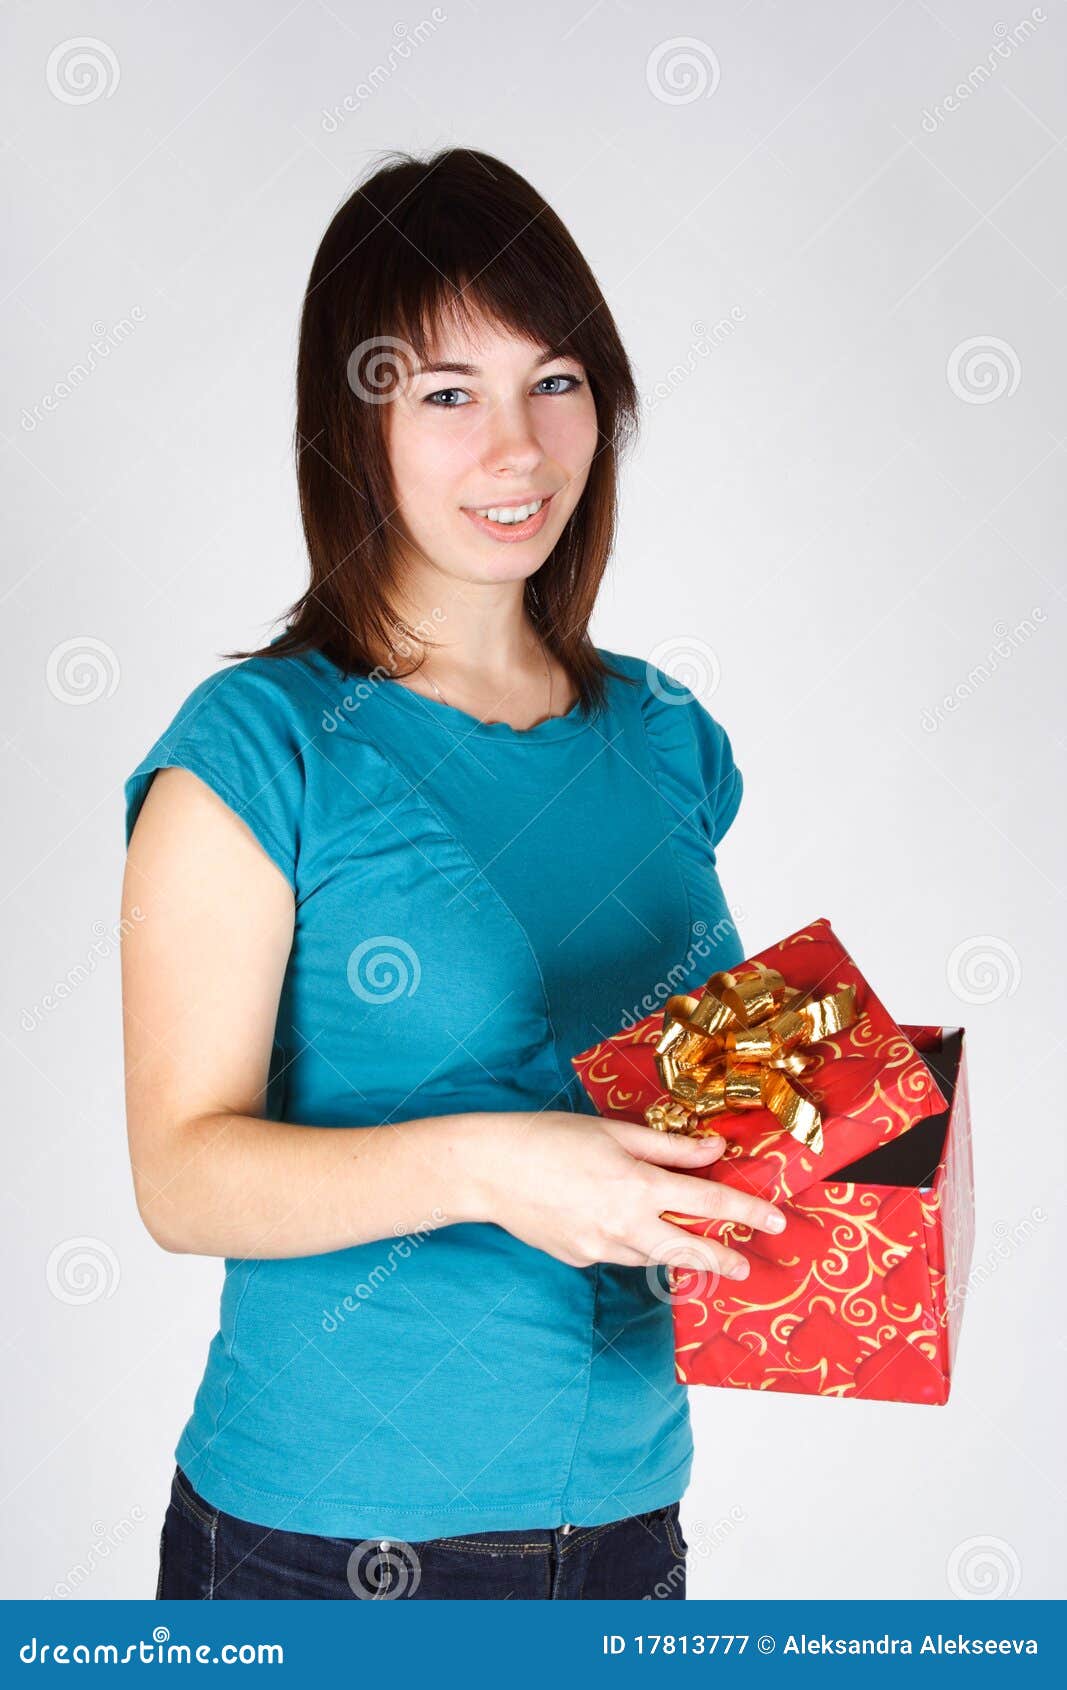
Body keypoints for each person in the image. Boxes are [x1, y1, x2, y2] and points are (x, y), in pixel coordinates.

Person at [120, 146, 785, 1602]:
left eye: (555, 381)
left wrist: (858, 1130)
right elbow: (179, 1174)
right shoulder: (260, 751)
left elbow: (699, 1087)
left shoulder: (668, 737)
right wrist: (495, 1166)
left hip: (626, 1524)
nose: (519, 448)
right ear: (348, 427)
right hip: (322, 1547)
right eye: (445, 394)